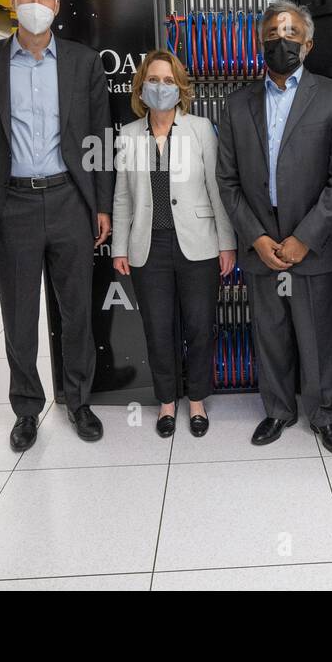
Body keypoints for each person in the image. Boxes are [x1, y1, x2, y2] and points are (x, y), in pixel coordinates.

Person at [0, 0, 114, 451]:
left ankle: (79, 401)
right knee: (19, 316)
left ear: (55, 5)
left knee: (77, 313)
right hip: (12, 203)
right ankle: (26, 409)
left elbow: (99, 140)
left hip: (70, 198)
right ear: (13, 0)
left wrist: (102, 205)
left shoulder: (82, 62)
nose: (36, 1)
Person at [216, 1, 332, 454]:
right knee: (270, 333)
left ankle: (324, 416)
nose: (282, 42)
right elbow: (228, 179)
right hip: (261, 242)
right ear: (260, 43)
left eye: (292, 34)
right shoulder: (237, 104)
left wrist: (304, 238)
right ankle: (278, 410)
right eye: (273, 36)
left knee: (318, 336)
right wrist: (257, 238)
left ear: (309, 43)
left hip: (313, 245)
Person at [112, 50, 236, 438]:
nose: (160, 87)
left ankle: (196, 400)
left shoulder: (200, 129)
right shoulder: (130, 134)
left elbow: (217, 189)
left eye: (168, 81)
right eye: (153, 80)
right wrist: (118, 247)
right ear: (141, 87)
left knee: (199, 326)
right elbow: (122, 197)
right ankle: (167, 401)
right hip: (149, 247)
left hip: (198, 245)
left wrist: (226, 243)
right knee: (158, 328)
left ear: (180, 87)